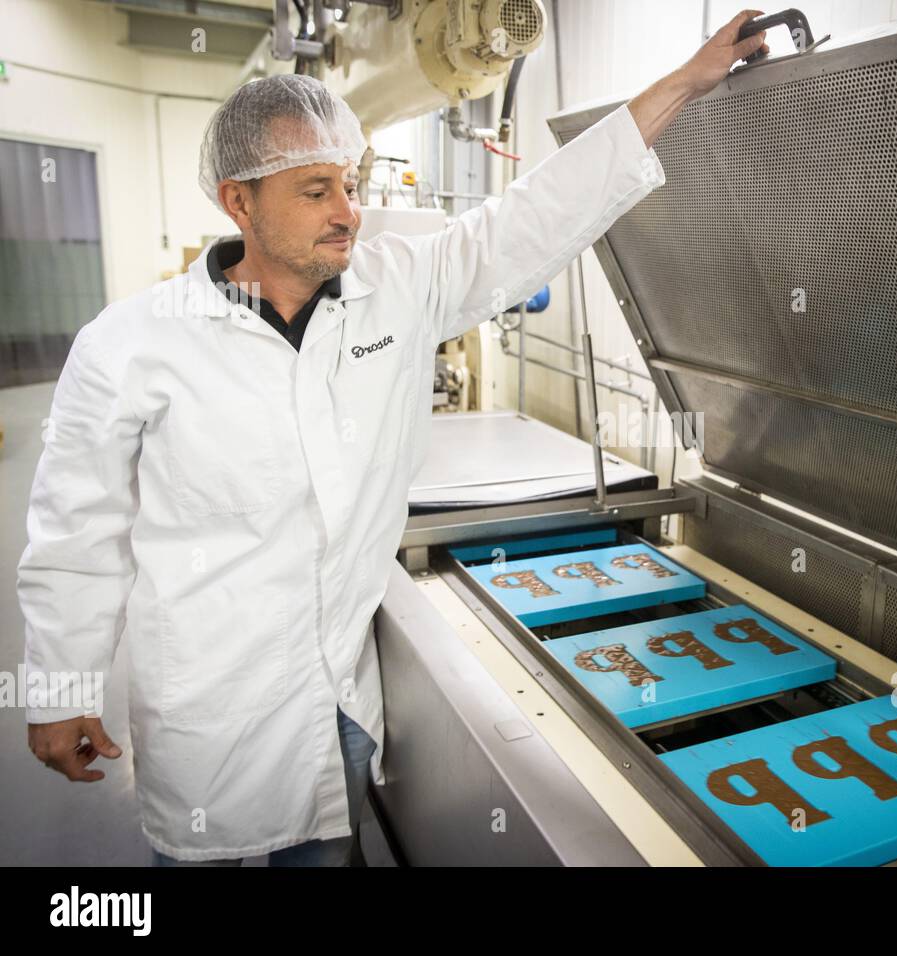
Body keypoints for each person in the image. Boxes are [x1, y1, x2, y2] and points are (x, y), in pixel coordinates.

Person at [18, 12, 769, 866]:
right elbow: (74, 536)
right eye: (315, 192)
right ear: (238, 201)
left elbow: (533, 218)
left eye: (350, 182)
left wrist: (682, 82)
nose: (349, 213)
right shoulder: (131, 344)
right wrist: (59, 689)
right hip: (207, 709)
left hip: (333, 701)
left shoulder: (398, 286)